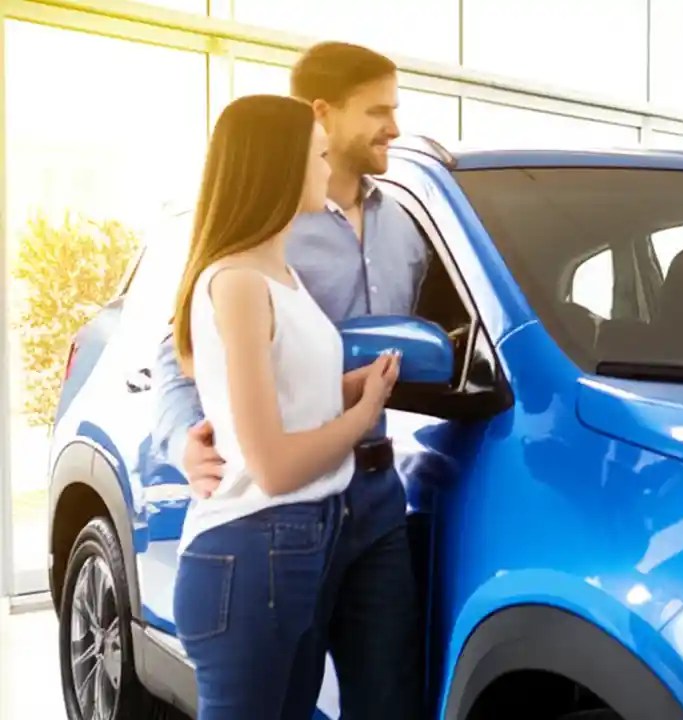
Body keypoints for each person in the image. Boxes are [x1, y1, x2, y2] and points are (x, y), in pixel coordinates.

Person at [152, 41, 429, 718]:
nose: (394, 127)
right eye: (378, 111)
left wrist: (363, 394)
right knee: (282, 695)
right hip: (278, 509)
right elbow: (180, 348)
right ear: (321, 115)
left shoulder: (412, 229)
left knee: (387, 698)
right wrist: (184, 434)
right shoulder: (265, 237)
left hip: (372, 499)